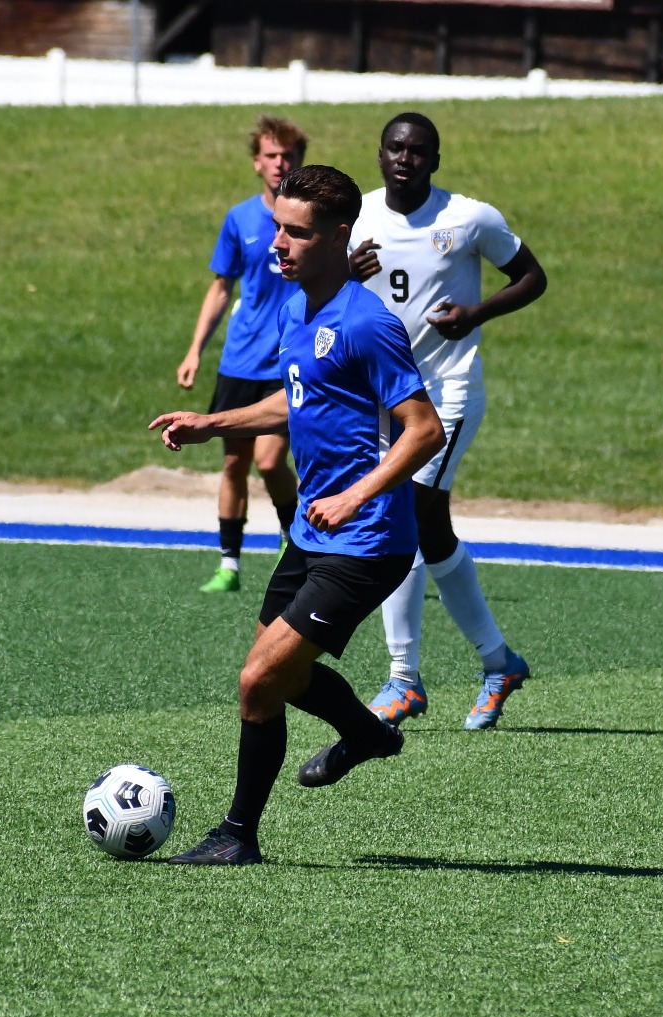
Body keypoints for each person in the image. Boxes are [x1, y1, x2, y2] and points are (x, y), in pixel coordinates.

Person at [149, 164, 445, 866]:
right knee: (275, 677)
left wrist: (355, 494)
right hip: (313, 534)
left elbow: (424, 429)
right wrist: (213, 422)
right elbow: (295, 400)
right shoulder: (293, 306)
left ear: (340, 237)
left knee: (258, 681)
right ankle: (368, 734)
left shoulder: (368, 321)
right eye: (277, 226)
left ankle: (238, 835)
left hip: (365, 541)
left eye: (296, 232)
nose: (277, 242)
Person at [347, 112, 549, 731]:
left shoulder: (468, 218)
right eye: (395, 148)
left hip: (448, 393)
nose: (405, 159)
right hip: (385, 396)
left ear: (435, 160)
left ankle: (403, 680)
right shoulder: (357, 219)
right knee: (433, 535)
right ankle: (499, 662)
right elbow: (315, 292)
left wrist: (477, 313)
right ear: (380, 155)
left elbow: (533, 277)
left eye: (419, 151)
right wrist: (344, 281)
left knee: (401, 516)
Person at [175, 115, 309, 593]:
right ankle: (228, 563)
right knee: (234, 462)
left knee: (271, 462)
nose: (280, 163)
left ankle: (293, 535)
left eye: (289, 155)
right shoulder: (240, 219)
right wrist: (195, 350)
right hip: (239, 360)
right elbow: (220, 288)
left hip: (286, 361)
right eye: (272, 155)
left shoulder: (311, 221)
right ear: (257, 163)